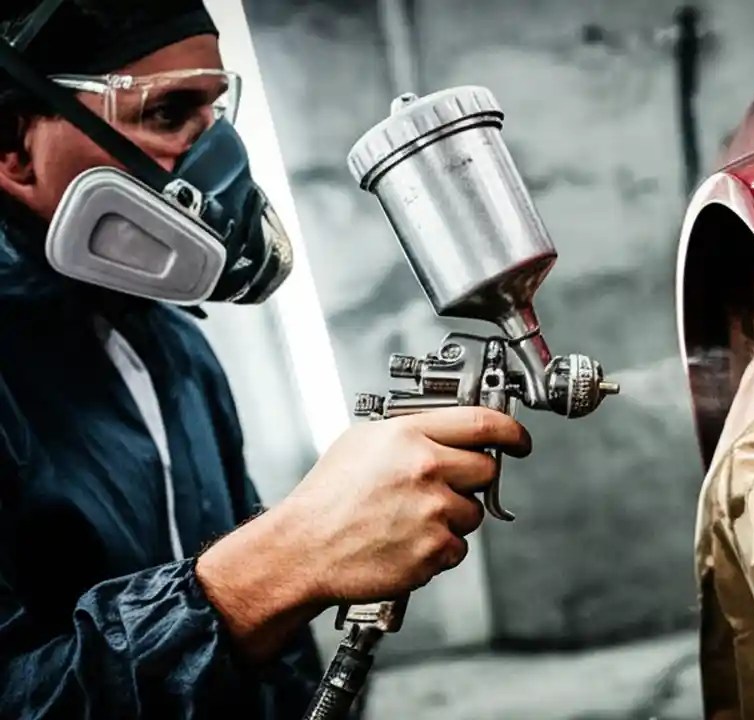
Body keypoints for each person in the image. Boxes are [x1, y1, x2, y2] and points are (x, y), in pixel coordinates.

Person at [0, 1, 530, 717]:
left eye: (215, 112)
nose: (219, 161)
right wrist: (281, 562)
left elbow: (266, 657)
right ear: (11, 148)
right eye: (168, 113)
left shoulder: (173, 347)